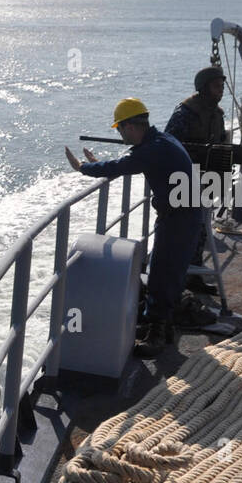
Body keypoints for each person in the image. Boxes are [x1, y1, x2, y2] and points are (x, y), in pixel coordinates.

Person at [66, 98, 196, 356]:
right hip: (181, 215)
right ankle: (160, 327)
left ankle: (157, 335)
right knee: (166, 271)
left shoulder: (154, 149)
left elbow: (122, 165)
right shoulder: (161, 142)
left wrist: (84, 168)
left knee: (162, 274)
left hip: (179, 219)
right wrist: (99, 164)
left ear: (130, 127)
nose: (120, 135)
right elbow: (130, 162)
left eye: (119, 129)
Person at [164, 66, 228, 292]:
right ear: (203, 88)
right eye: (216, 86)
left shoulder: (216, 114)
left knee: (200, 232)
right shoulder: (185, 113)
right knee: (180, 233)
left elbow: (222, 144)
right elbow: (169, 147)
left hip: (206, 183)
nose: (221, 91)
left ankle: (193, 277)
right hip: (184, 184)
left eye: (222, 86)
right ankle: (173, 281)